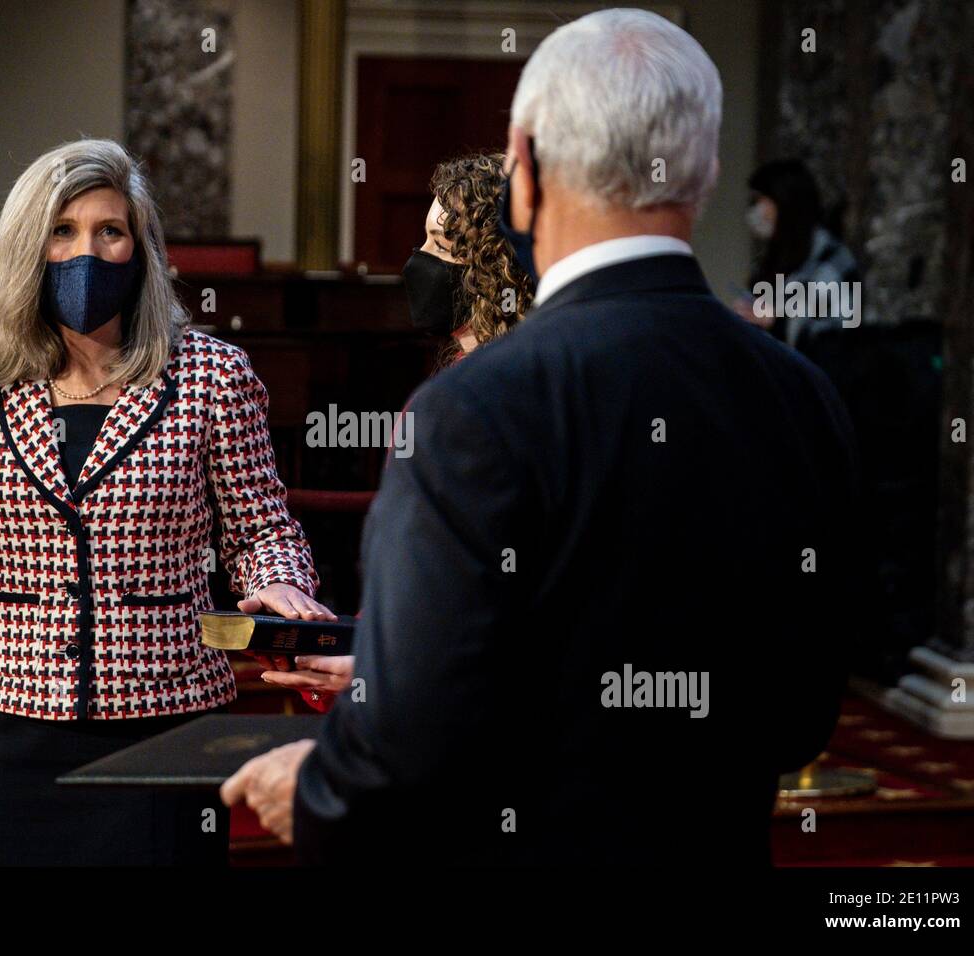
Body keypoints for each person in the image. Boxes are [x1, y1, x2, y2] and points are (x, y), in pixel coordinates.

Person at [223, 8, 859, 866]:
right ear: (703, 174)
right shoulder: (802, 395)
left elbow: (409, 738)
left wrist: (315, 791)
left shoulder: (474, 410)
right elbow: (796, 717)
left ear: (523, 169)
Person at [0, 138, 333, 865]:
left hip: (164, 722)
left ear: (139, 249)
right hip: (14, 727)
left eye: (109, 231)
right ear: (29, 246)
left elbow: (262, 527)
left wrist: (277, 578)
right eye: (63, 230)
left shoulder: (211, 375)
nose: (88, 251)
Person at [257, 152, 534, 712]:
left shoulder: (491, 400)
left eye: (439, 245)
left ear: (491, 264)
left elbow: (487, 598)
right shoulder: (464, 383)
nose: (418, 262)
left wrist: (373, 669)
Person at [733, 158, 861, 348]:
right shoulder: (776, 258)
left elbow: (834, 339)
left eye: (760, 200)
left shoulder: (831, 260)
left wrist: (774, 322)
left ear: (783, 201)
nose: (756, 211)